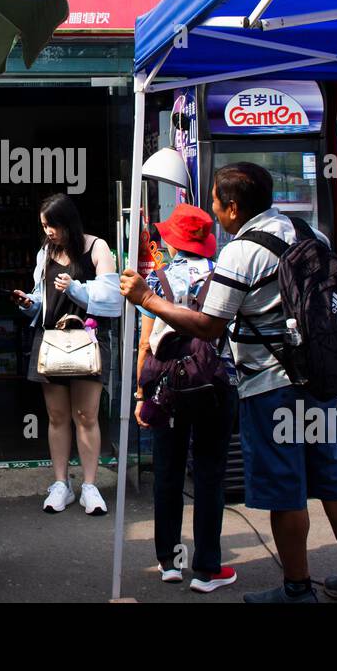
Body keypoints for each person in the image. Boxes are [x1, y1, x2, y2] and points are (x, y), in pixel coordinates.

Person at [121, 163, 337, 603]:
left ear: (234, 206)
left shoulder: (242, 253)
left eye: (217, 204)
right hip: (321, 382)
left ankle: (297, 589)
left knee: (287, 491)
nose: (215, 212)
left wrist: (148, 299)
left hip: (273, 386)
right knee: (333, 479)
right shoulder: (308, 233)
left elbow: (208, 325)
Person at [134, 203, 237, 593]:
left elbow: (147, 342)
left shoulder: (157, 279)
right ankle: (208, 569)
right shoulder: (222, 277)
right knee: (210, 474)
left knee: (169, 471)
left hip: (169, 387)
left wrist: (142, 393)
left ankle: (170, 563)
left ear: (174, 242)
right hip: (214, 384)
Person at [14, 193, 124, 515]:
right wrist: (29, 303)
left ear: (68, 222)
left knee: (86, 416)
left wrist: (75, 287)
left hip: (87, 340)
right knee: (57, 417)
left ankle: (90, 486)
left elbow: (111, 298)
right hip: (51, 339)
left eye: (52, 225)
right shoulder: (45, 252)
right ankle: (61, 484)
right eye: (44, 226)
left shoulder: (96, 247)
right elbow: (40, 297)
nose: (48, 232)